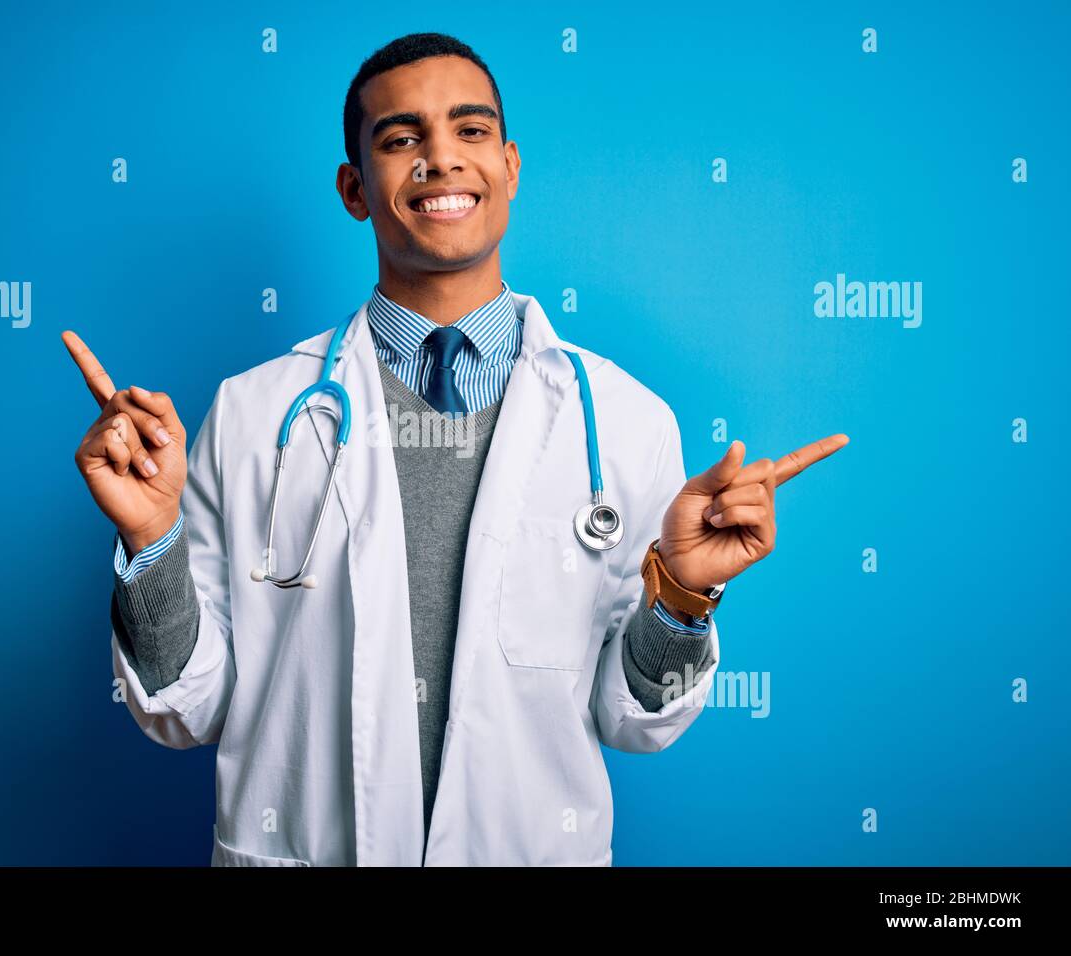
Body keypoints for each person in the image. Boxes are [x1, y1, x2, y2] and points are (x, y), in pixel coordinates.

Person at [63, 32, 847, 866]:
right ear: (355, 188)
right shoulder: (257, 412)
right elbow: (190, 706)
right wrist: (153, 544)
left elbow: (635, 719)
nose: (441, 158)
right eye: (402, 139)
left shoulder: (623, 419)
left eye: (469, 132)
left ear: (509, 165)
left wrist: (685, 593)